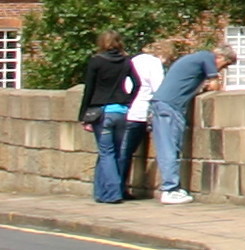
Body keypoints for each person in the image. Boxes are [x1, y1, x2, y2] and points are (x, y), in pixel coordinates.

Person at [145, 41, 231, 204]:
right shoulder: (207, 57)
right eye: (225, 64)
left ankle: (172, 188)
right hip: (169, 106)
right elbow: (215, 85)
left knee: (170, 147)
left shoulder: (195, 58)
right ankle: (170, 190)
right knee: (169, 148)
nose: (222, 69)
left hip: (163, 105)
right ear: (219, 56)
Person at [78, 33, 141, 204]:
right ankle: (101, 192)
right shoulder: (126, 61)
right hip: (121, 112)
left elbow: (89, 89)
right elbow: (137, 84)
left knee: (106, 153)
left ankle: (113, 193)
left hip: (102, 112)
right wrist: (128, 100)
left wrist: (84, 116)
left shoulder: (96, 61)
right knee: (113, 152)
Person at [124, 39, 165, 196]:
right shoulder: (154, 63)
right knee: (127, 152)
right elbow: (158, 88)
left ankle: (118, 187)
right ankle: (122, 189)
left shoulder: (133, 60)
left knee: (123, 153)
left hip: (126, 109)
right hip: (140, 112)